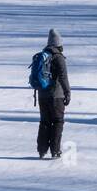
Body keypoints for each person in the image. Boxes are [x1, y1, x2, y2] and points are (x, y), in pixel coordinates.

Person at [34, 29, 71, 159]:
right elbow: (63, 77)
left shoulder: (43, 55)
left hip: (42, 95)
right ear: (59, 44)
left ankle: (42, 150)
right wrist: (67, 92)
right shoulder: (58, 57)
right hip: (56, 96)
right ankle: (55, 151)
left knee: (44, 122)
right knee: (57, 122)